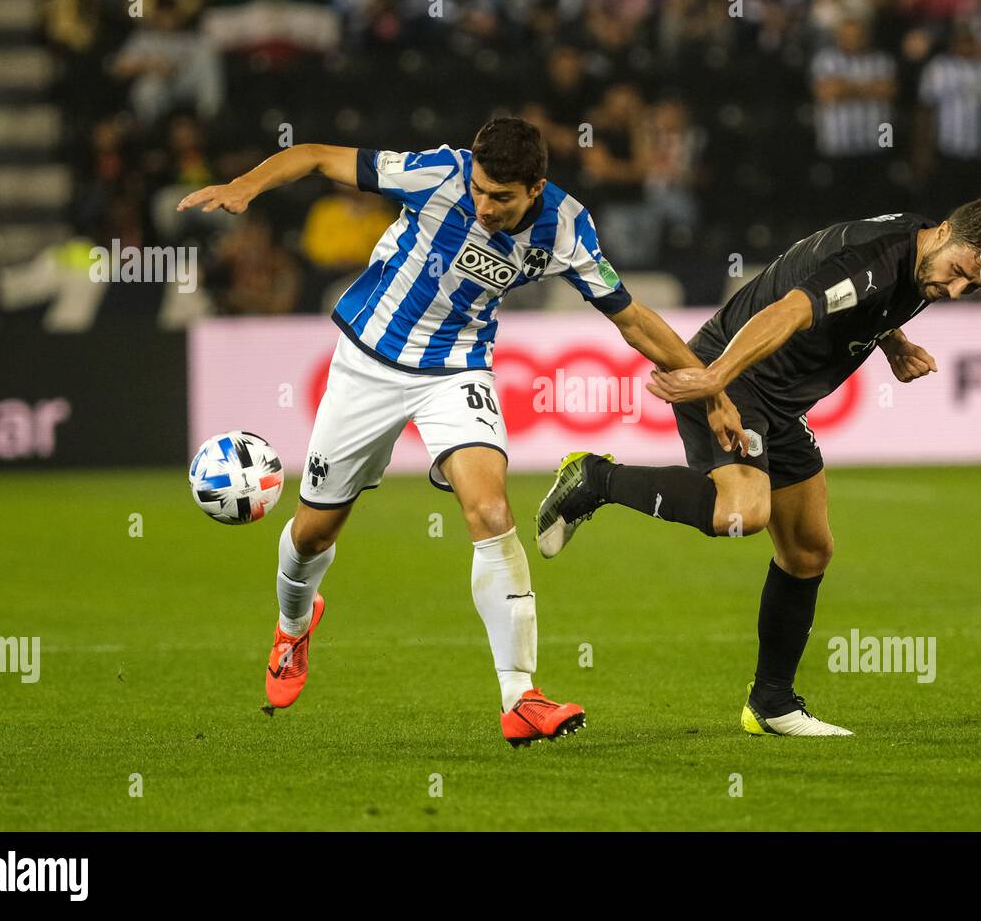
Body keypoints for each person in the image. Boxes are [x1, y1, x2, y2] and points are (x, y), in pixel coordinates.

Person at [178, 118, 747, 746]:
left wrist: (712, 387)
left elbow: (633, 320)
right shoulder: (437, 173)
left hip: (457, 368)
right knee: (314, 533)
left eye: (500, 197)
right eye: (478, 190)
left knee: (490, 509)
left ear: (536, 187)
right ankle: (292, 627)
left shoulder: (565, 227)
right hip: (367, 359)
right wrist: (246, 185)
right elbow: (313, 155)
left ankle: (520, 697)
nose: (483, 205)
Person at [537, 198, 981, 738]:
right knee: (741, 513)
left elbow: (873, 303)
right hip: (734, 378)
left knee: (808, 549)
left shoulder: (920, 257)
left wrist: (895, 343)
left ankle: (771, 703)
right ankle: (595, 479)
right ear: (946, 232)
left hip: (780, 403)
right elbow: (790, 311)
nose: (955, 291)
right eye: (958, 273)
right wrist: (713, 379)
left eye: (972, 287)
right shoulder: (874, 262)